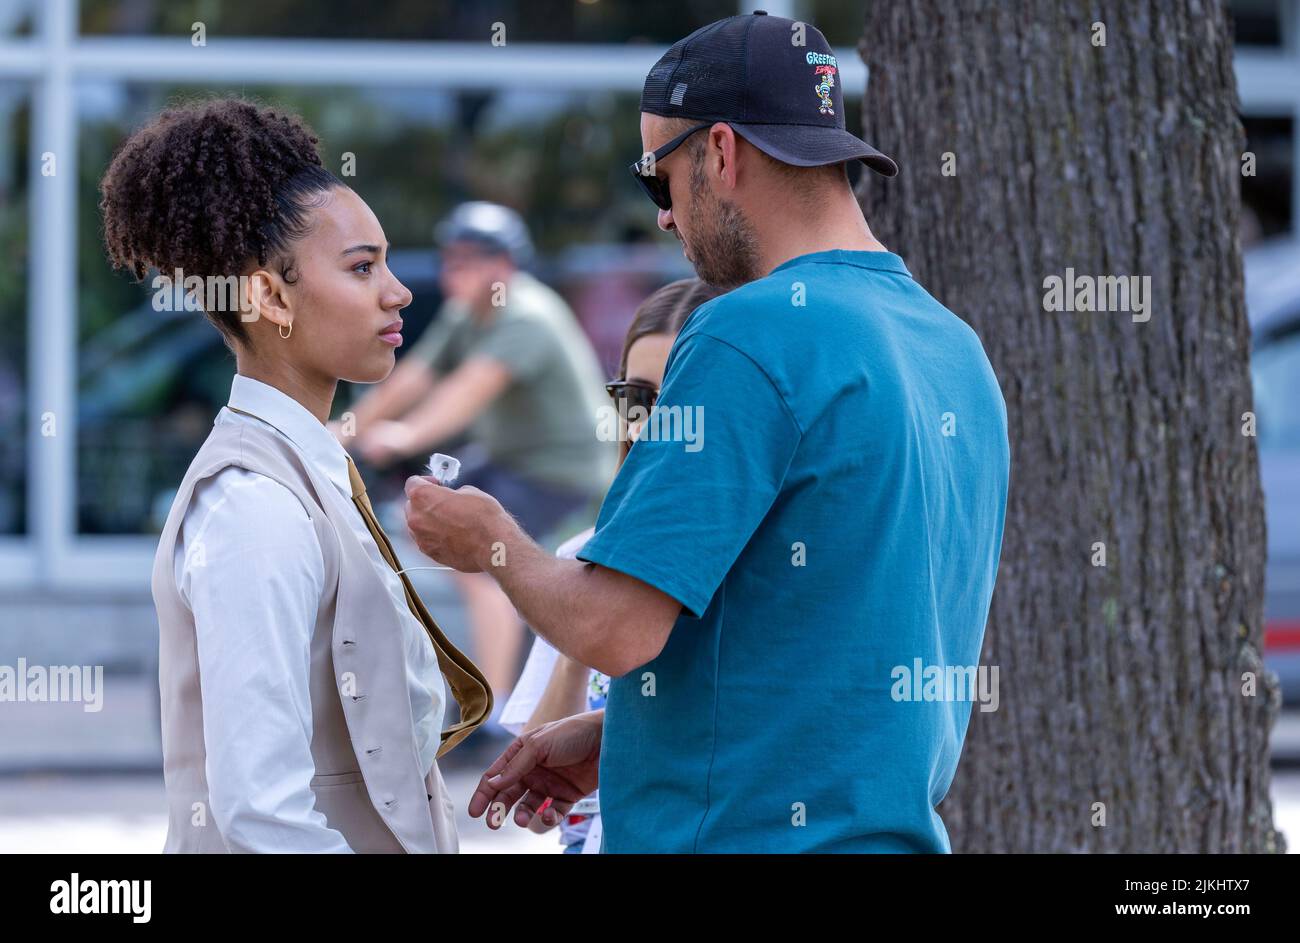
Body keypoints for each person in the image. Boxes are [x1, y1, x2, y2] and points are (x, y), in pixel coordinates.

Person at [406, 12, 1010, 854]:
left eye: (658, 179)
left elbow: (615, 627)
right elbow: (837, 653)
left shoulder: (747, 331)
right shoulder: (955, 348)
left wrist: (491, 541)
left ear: (720, 153)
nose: (661, 219)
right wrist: (627, 739)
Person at [102, 99, 491, 853]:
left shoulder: (307, 472)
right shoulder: (255, 505)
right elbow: (262, 813)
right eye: (362, 267)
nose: (397, 291)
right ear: (269, 295)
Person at [343, 202, 615, 726]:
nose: (455, 271)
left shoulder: (527, 315)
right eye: (451, 259)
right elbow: (415, 376)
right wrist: (346, 429)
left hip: (563, 475)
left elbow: (466, 393)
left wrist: (402, 436)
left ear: (506, 266)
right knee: (427, 512)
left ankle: (492, 706)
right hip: (508, 459)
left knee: (479, 562)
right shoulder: (468, 311)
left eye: (471, 260)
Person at [499, 278, 720, 853]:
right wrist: (591, 610)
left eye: (676, 399)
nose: (651, 425)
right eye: (636, 399)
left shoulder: (755, 569)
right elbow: (540, 802)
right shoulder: (586, 550)